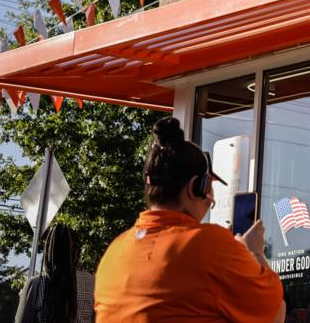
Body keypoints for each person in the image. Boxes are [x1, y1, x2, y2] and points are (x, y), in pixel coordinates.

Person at [94, 117, 283, 323]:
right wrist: (254, 253)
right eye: (209, 187)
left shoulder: (113, 253)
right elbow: (275, 314)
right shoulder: (212, 246)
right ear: (196, 187)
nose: (211, 199)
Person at [15, 222, 93, 323]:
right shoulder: (93, 283)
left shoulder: (36, 284)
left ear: (48, 251)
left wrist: (24, 297)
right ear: (77, 252)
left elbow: (21, 320)